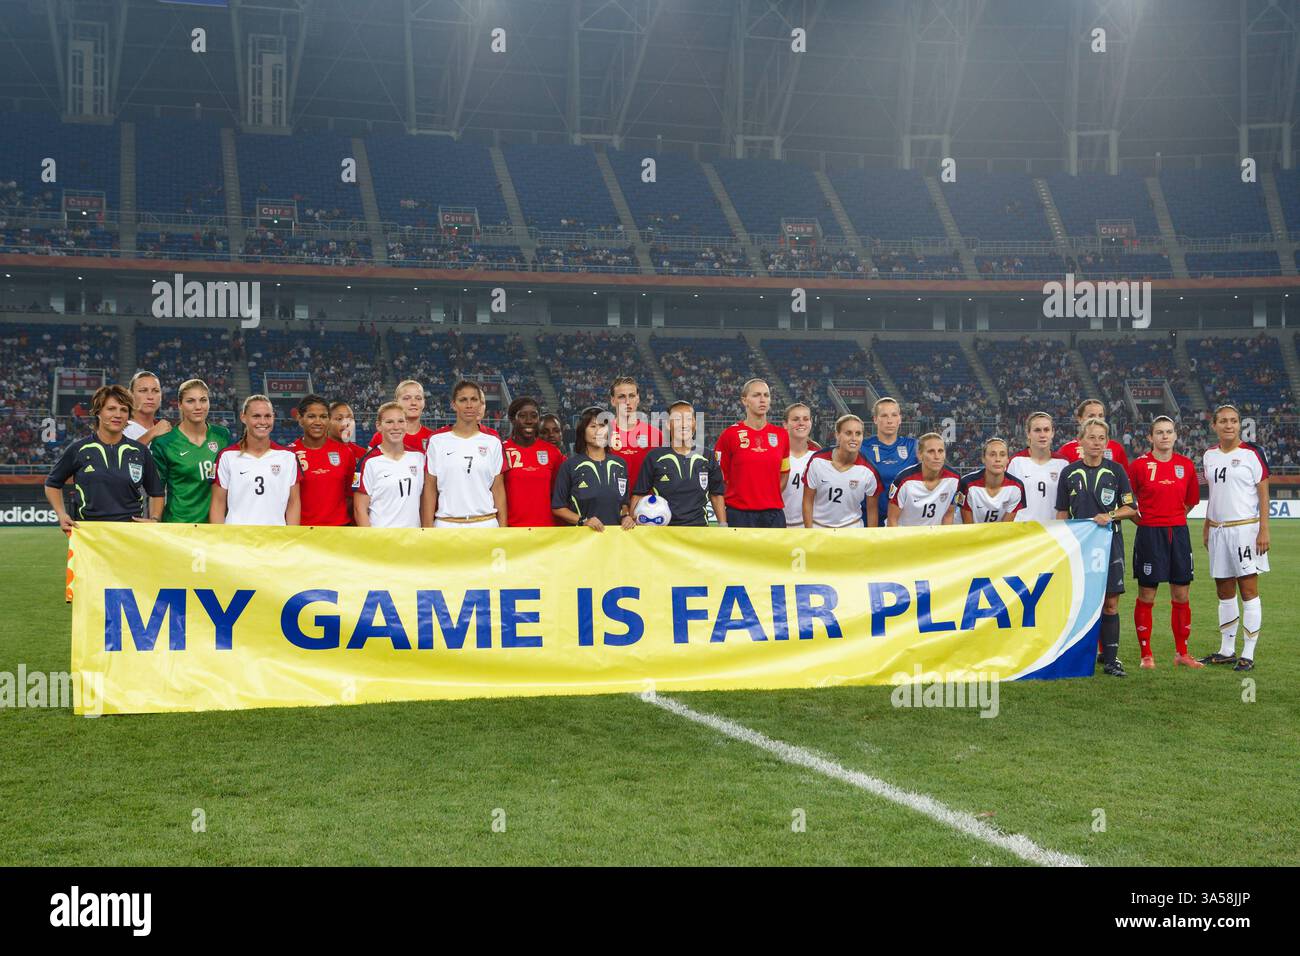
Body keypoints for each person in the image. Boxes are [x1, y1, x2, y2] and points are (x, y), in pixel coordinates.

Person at [1055, 418, 1137, 677]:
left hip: (1109, 545)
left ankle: (1111, 660)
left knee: (1110, 603)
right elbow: (1061, 513)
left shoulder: (1116, 471)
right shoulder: (1069, 473)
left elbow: (1131, 508)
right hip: (1079, 549)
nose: (1096, 443)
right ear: (1080, 441)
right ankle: (1075, 657)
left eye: (1101, 438)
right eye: (1091, 437)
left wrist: (1110, 515)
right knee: (1078, 601)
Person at [1198, 404, 1270, 671]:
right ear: (1214, 425)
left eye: (1234, 421)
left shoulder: (1253, 454)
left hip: (1245, 530)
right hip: (1218, 530)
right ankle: (1226, 650)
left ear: (1239, 424)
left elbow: (1263, 494)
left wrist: (1264, 529)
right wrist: (1207, 525)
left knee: (1249, 591)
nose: (1229, 425)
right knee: (1224, 591)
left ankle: (1248, 654)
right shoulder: (1209, 456)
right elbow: (1215, 494)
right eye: (1224, 421)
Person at [1128, 415, 1201, 668]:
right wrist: (1147, 522)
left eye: (1169, 431)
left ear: (1176, 435)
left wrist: (1174, 518)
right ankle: (1146, 655)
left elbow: (1190, 501)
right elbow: (1128, 500)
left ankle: (1182, 653)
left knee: (1181, 594)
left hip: (1178, 534)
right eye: (1159, 432)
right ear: (1150, 437)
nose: (1165, 436)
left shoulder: (1186, 466)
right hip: (1150, 535)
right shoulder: (1138, 466)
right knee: (1147, 594)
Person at [45, 384, 164, 531]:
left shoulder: (140, 451)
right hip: (89, 534)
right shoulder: (78, 449)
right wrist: (61, 514)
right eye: (111, 409)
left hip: (131, 534)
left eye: (124, 410)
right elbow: (52, 484)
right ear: (98, 412)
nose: (118, 415)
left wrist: (154, 519)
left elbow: (157, 492)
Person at [421, 380, 507, 528]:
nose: (469, 405)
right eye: (463, 400)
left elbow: (498, 489)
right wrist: (427, 528)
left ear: (480, 404)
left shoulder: (493, 442)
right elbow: (430, 488)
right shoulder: (437, 440)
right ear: (454, 404)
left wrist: (503, 527)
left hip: (485, 524)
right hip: (447, 524)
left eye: (474, 399)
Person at [632, 400, 726, 527]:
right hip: (664, 532)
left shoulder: (708, 456)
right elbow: (639, 494)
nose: (683, 424)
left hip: (699, 530)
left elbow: (716, 495)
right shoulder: (654, 457)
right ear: (668, 425)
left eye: (688, 419)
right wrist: (631, 519)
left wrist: (723, 524)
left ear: (695, 423)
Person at [210, 394, 301, 525]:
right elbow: (218, 503)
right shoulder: (227, 456)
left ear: (273, 418)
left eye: (268, 416)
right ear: (243, 417)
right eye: (256, 416)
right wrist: (220, 540)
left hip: (275, 539)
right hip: (238, 539)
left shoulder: (288, 457)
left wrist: (291, 538)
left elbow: (293, 503)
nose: (263, 422)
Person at [150, 378, 231, 523]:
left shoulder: (222, 436)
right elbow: (157, 489)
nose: (198, 406)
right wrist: (155, 519)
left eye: (203, 400)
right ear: (180, 405)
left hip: (215, 527)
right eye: (190, 401)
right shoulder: (164, 442)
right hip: (178, 526)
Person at [713, 379, 790, 528]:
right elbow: (719, 479)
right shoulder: (729, 435)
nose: (762, 400)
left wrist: (766, 497)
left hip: (773, 514)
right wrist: (723, 520)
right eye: (756, 395)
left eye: (766, 395)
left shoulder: (781, 435)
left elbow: (784, 473)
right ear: (744, 400)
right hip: (739, 515)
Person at [552, 406, 635, 532]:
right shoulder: (569, 466)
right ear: (582, 431)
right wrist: (583, 521)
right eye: (593, 426)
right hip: (583, 542)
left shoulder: (620, 464)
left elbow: (623, 502)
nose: (599, 431)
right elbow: (558, 507)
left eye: (602, 426)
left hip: (616, 540)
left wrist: (626, 516)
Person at [802, 414, 880, 528]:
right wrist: (810, 532)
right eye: (848, 433)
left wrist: (871, 539)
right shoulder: (817, 460)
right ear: (837, 435)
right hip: (819, 528)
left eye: (858, 434)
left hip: (852, 530)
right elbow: (807, 501)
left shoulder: (869, 471)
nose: (854, 438)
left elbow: (872, 510)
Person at [355, 402, 425, 528]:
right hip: (381, 540)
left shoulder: (419, 458)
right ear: (378, 426)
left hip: (413, 539)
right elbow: (359, 509)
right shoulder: (368, 462)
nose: (396, 427)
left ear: (406, 424)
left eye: (400, 421)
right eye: (389, 422)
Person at [289, 394, 355, 526]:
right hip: (303, 532)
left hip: (339, 531)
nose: (318, 422)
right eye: (311, 416)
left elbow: (351, 494)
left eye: (323, 417)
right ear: (300, 419)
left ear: (329, 420)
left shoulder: (345, 453)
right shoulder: (289, 455)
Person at [502, 396, 564, 527]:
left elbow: (559, 493)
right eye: (523, 416)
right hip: (512, 529)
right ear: (513, 419)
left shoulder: (552, 452)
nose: (529, 421)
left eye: (534, 416)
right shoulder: (501, 450)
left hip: (546, 530)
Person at [861, 397, 918, 529]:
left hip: (904, 522)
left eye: (894, 415)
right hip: (868, 520)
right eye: (884, 415)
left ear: (900, 419)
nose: (889, 420)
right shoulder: (862, 447)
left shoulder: (913, 446)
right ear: (875, 419)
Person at [1008, 411, 1068, 523]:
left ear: (1052, 433)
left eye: (1046, 430)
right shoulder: (1016, 462)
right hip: (1023, 531)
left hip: (1053, 531)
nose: (1042, 435)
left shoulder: (1063, 463)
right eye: (1037, 430)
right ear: (1028, 433)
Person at [888, 433, 959, 527]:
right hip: (905, 537)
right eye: (931, 451)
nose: (937, 456)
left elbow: (948, 516)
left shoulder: (954, 479)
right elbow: (892, 520)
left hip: (933, 538)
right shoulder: (903, 481)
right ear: (920, 455)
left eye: (940, 451)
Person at [608, 375, 662, 490]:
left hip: (646, 504)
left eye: (631, 396)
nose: (627, 401)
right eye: (622, 397)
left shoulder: (656, 435)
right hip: (612, 505)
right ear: (613, 401)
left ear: (638, 399)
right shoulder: (602, 435)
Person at [957, 438, 1025, 523]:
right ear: (983, 459)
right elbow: (968, 526)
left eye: (1002, 455)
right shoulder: (965, 484)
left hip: (998, 534)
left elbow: (1005, 527)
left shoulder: (1017, 487)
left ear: (1008, 459)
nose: (998, 459)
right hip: (968, 534)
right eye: (992, 454)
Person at [1057, 399, 1129, 466]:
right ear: (1080, 419)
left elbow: (1125, 477)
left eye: (1100, 416)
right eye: (1091, 416)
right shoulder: (1066, 450)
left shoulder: (1116, 448)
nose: (1097, 419)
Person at [782, 402, 820, 528]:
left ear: (811, 422)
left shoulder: (819, 457)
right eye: (795, 419)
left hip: (811, 525)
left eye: (806, 419)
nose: (801, 423)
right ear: (785, 424)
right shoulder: (775, 455)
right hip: (778, 525)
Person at [369, 379, 435, 452]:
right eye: (406, 398)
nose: (413, 402)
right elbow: (368, 462)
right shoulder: (381, 436)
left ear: (424, 402)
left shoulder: (433, 438)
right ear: (396, 402)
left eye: (418, 398)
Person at [122, 371, 172, 446]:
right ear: (130, 395)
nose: (150, 397)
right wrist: (152, 433)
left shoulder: (166, 430)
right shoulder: (119, 428)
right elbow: (124, 456)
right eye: (143, 391)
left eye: (156, 391)